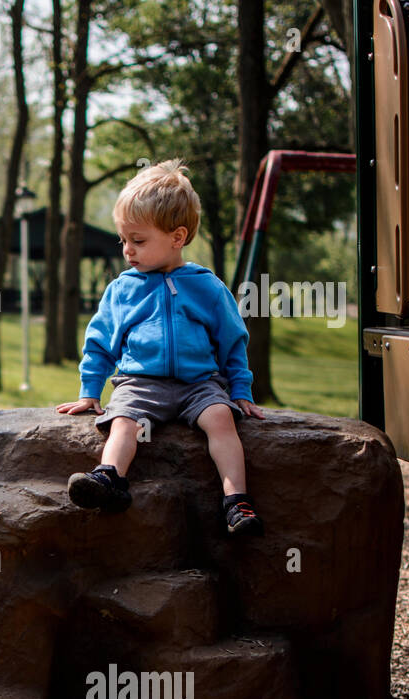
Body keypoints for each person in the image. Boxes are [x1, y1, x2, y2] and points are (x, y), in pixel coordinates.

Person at [56, 159, 265, 535]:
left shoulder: (208, 287)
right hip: (140, 383)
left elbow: (233, 342)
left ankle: (237, 501)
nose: (127, 250)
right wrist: (90, 391)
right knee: (123, 421)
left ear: (177, 237)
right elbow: (100, 343)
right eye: (123, 240)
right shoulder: (122, 289)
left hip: (200, 384)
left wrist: (240, 389)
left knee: (221, 420)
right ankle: (110, 478)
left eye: (138, 241)